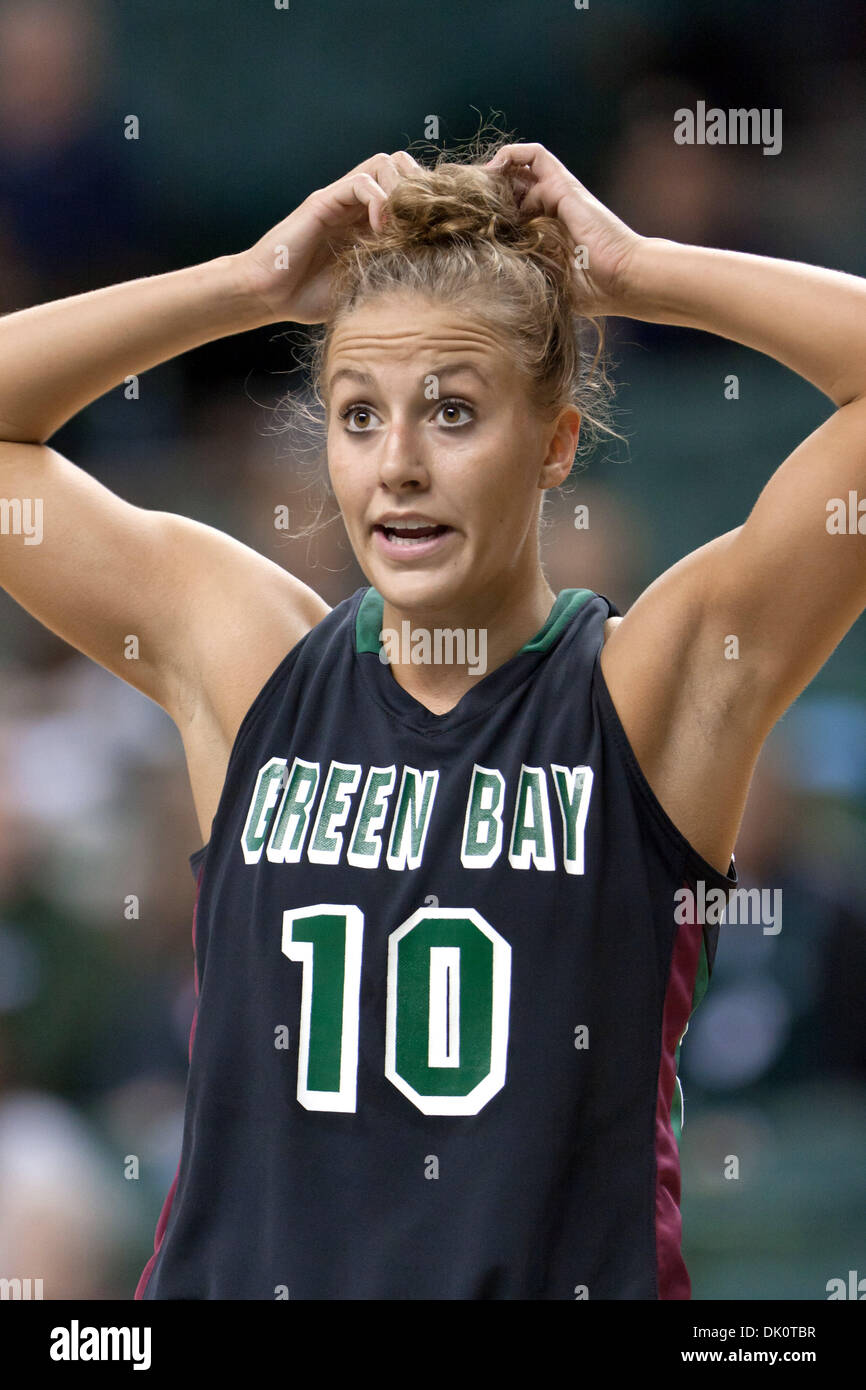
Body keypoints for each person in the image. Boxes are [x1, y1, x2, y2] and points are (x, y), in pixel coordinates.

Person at [1, 139, 863, 1300]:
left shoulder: (649, 690)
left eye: (452, 411)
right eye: (359, 416)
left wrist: (640, 269)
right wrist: (250, 282)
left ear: (554, 441)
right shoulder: (250, 660)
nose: (396, 465)